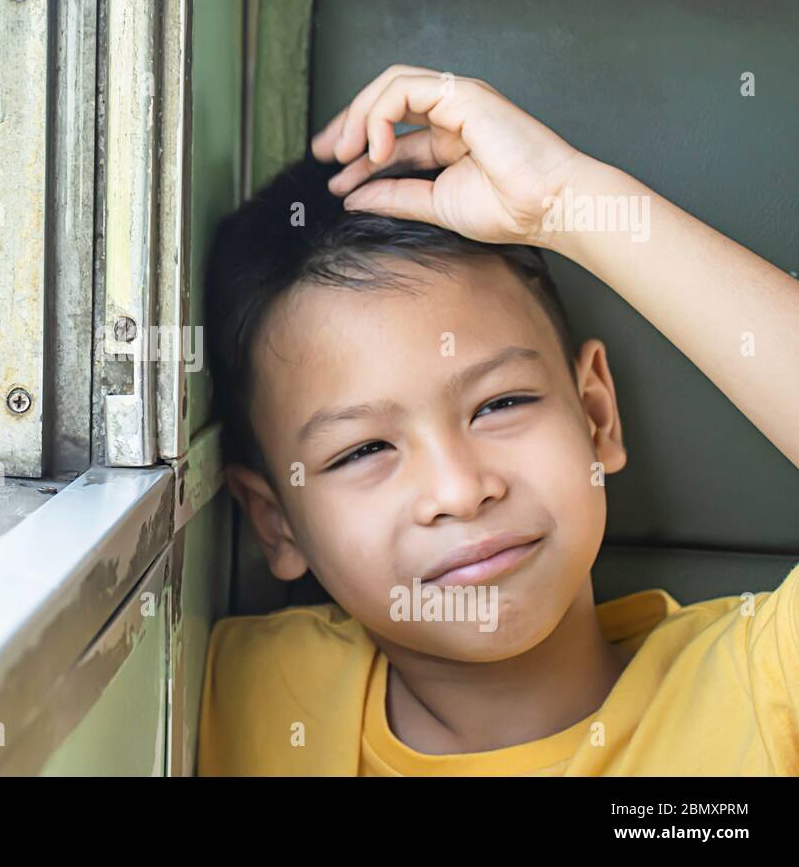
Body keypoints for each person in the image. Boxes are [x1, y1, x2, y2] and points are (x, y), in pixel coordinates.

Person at [197, 65, 799, 775]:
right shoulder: (251, 696)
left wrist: (565, 200)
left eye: (500, 404)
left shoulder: (757, 696)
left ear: (596, 415)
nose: (459, 489)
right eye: (362, 450)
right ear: (276, 522)